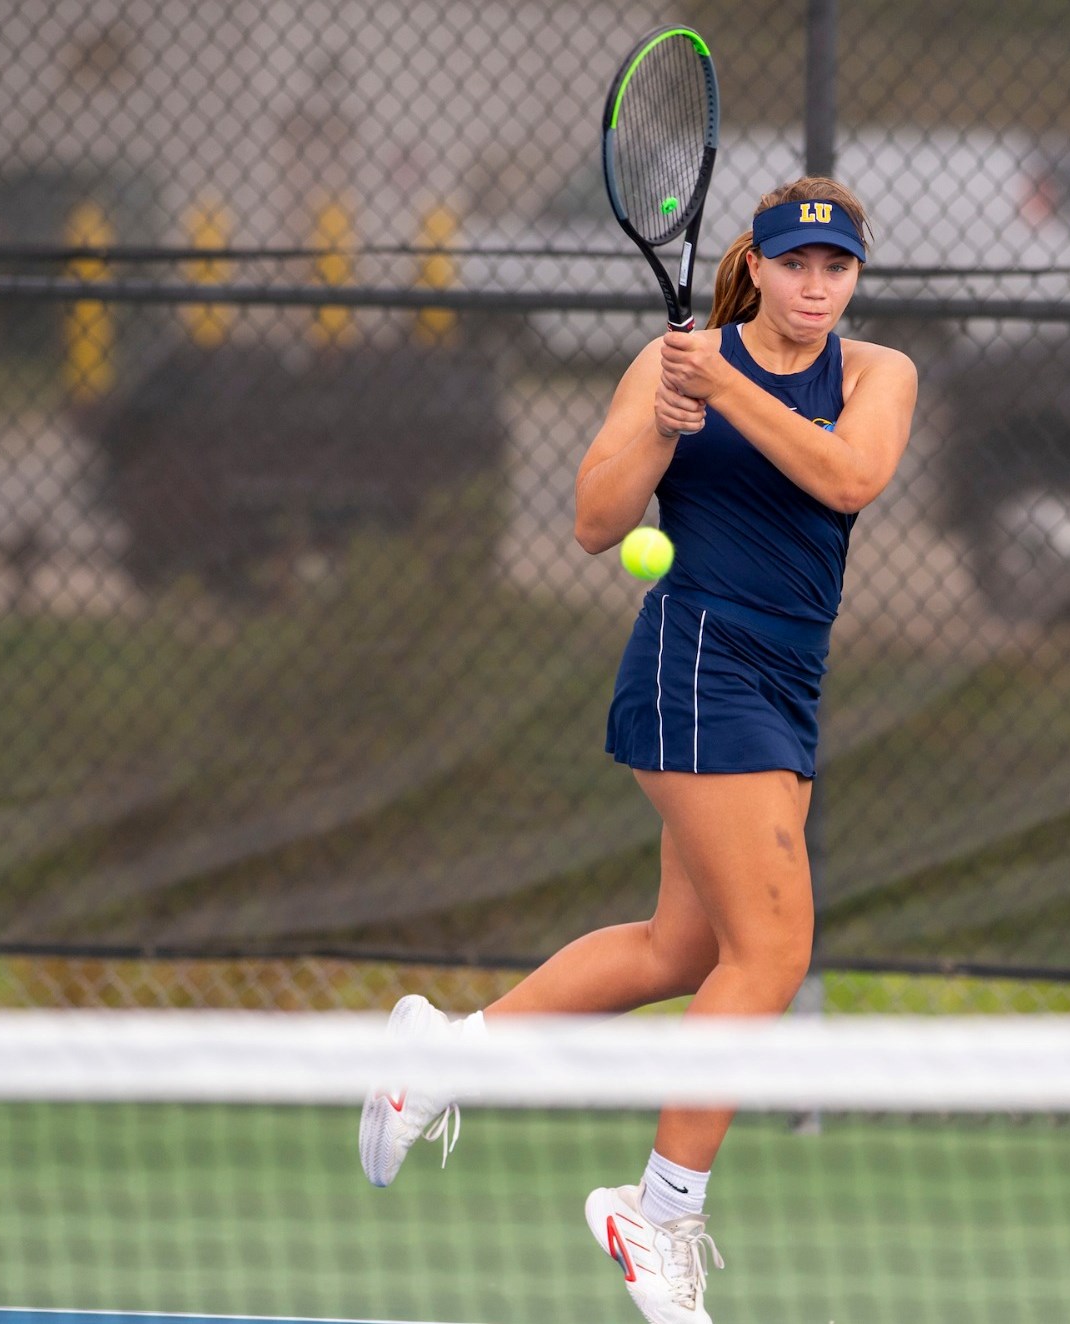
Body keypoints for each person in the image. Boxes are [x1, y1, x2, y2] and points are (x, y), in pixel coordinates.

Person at [358, 177, 917, 1324]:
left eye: (837, 266)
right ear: (754, 265)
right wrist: (669, 416)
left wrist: (723, 387)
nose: (816, 285)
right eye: (795, 263)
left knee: (682, 947)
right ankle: (655, 1212)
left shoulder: (876, 374)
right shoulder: (668, 369)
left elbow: (850, 475)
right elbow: (592, 520)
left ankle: (448, 1055)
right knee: (772, 950)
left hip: (787, 681)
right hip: (697, 661)